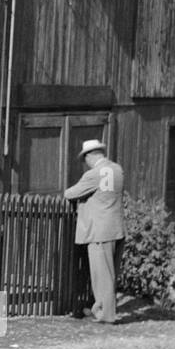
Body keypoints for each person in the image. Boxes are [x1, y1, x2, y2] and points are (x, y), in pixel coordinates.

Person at [63, 138, 125, 324]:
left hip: (99, 231)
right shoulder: (118, 170)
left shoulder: (93, 174)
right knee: (110, 273)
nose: (85, 163)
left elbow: (70, 193)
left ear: (90, 156)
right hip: (116, 229)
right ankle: (101, 308)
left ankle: (106, 315)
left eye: (84, 159)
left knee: (102, 274)